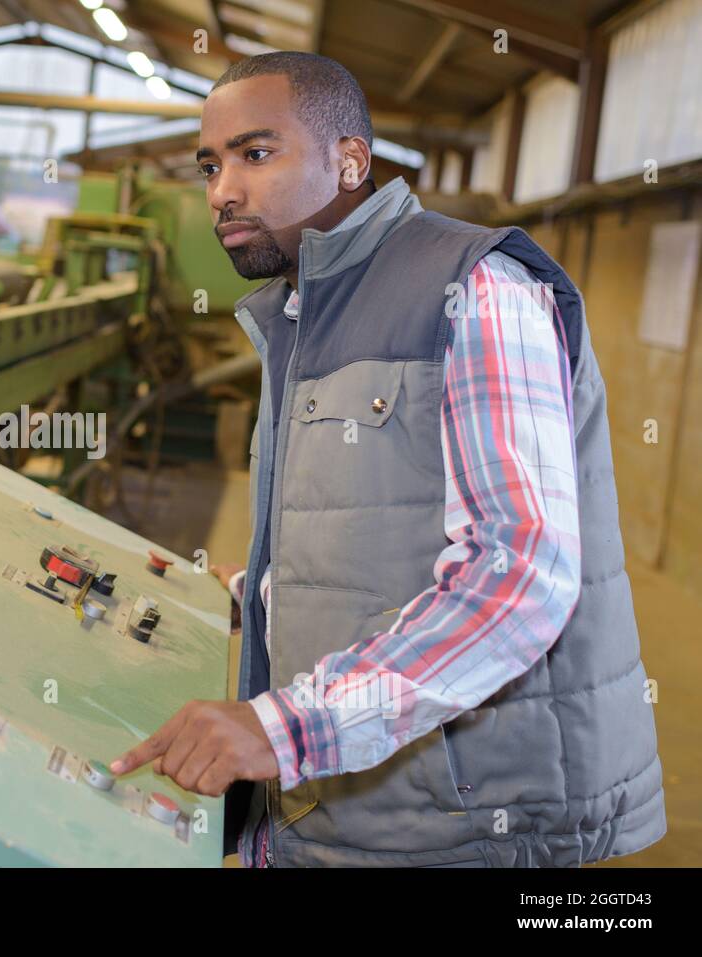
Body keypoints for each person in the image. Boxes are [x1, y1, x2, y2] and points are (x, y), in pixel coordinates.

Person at [110, 52, 665, 867]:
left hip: (462, 827)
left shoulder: (476, 287)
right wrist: (255, 587)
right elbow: (366, 518)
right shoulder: (298, 315)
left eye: (256, 154)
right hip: (333, 815)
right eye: (210, 164)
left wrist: (286, 727)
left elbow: (519, 573)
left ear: (350, 160)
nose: (223, 189)